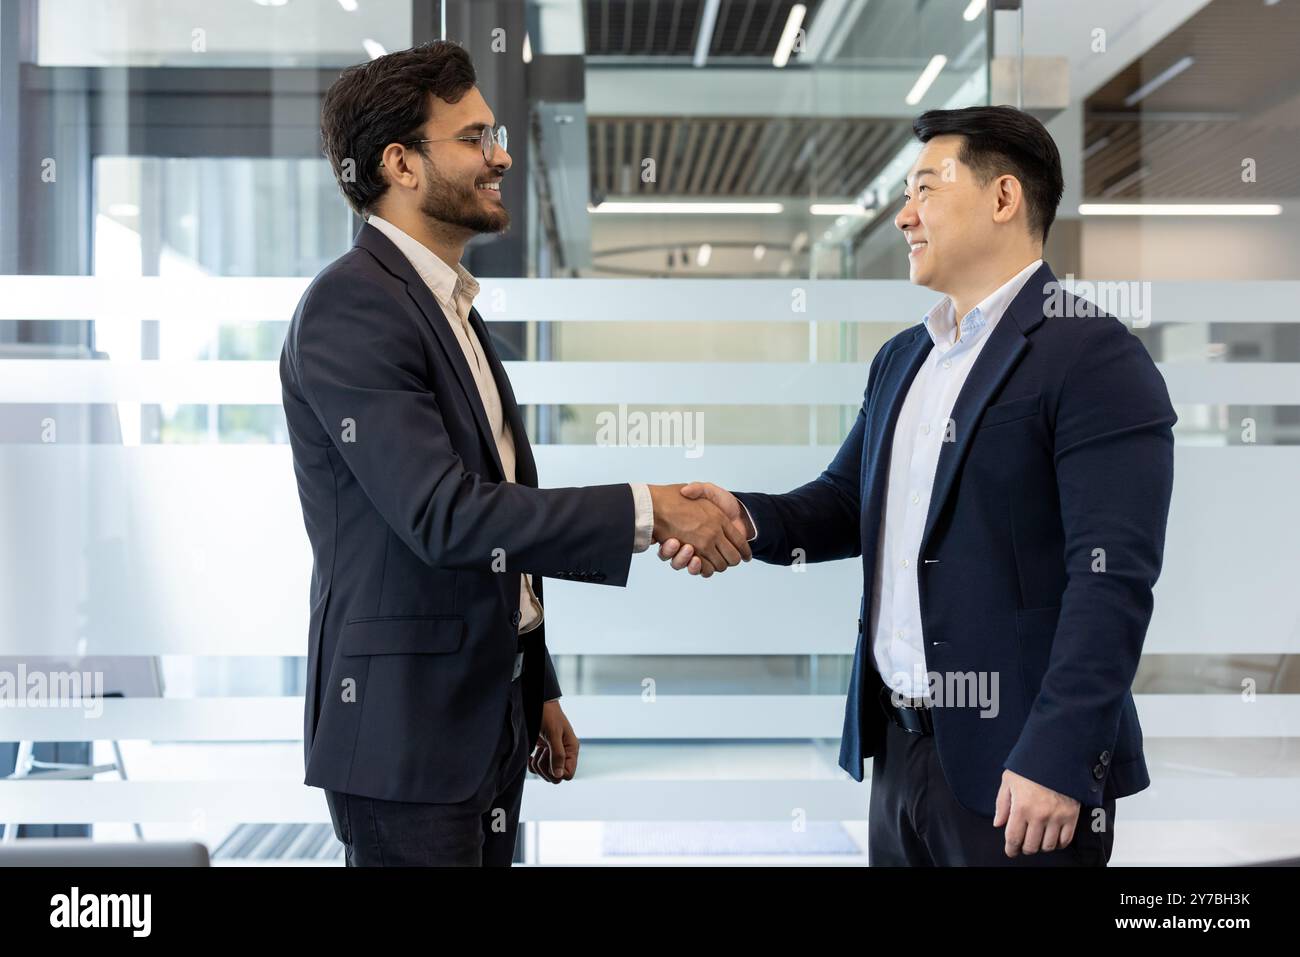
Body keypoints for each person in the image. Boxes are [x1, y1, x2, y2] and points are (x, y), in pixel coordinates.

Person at [659, 105, 1175, 866]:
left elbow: (1113, 583)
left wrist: (1058, 755)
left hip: (1021, 773)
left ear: (1004, 199)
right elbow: (843, 503)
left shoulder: (1091, 354)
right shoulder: (906, 357)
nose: (903, 216)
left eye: (926, 189)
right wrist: (741, 517)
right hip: (902, 756)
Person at [279, 41, 750, 866]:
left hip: (484, 712)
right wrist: (649, 508)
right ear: (401, 164)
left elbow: (494, 524)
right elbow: (445, 514)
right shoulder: (351, 306)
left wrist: (537, 685)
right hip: (406, 736)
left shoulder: (450, 305)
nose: (499, 157)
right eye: (474, 139)